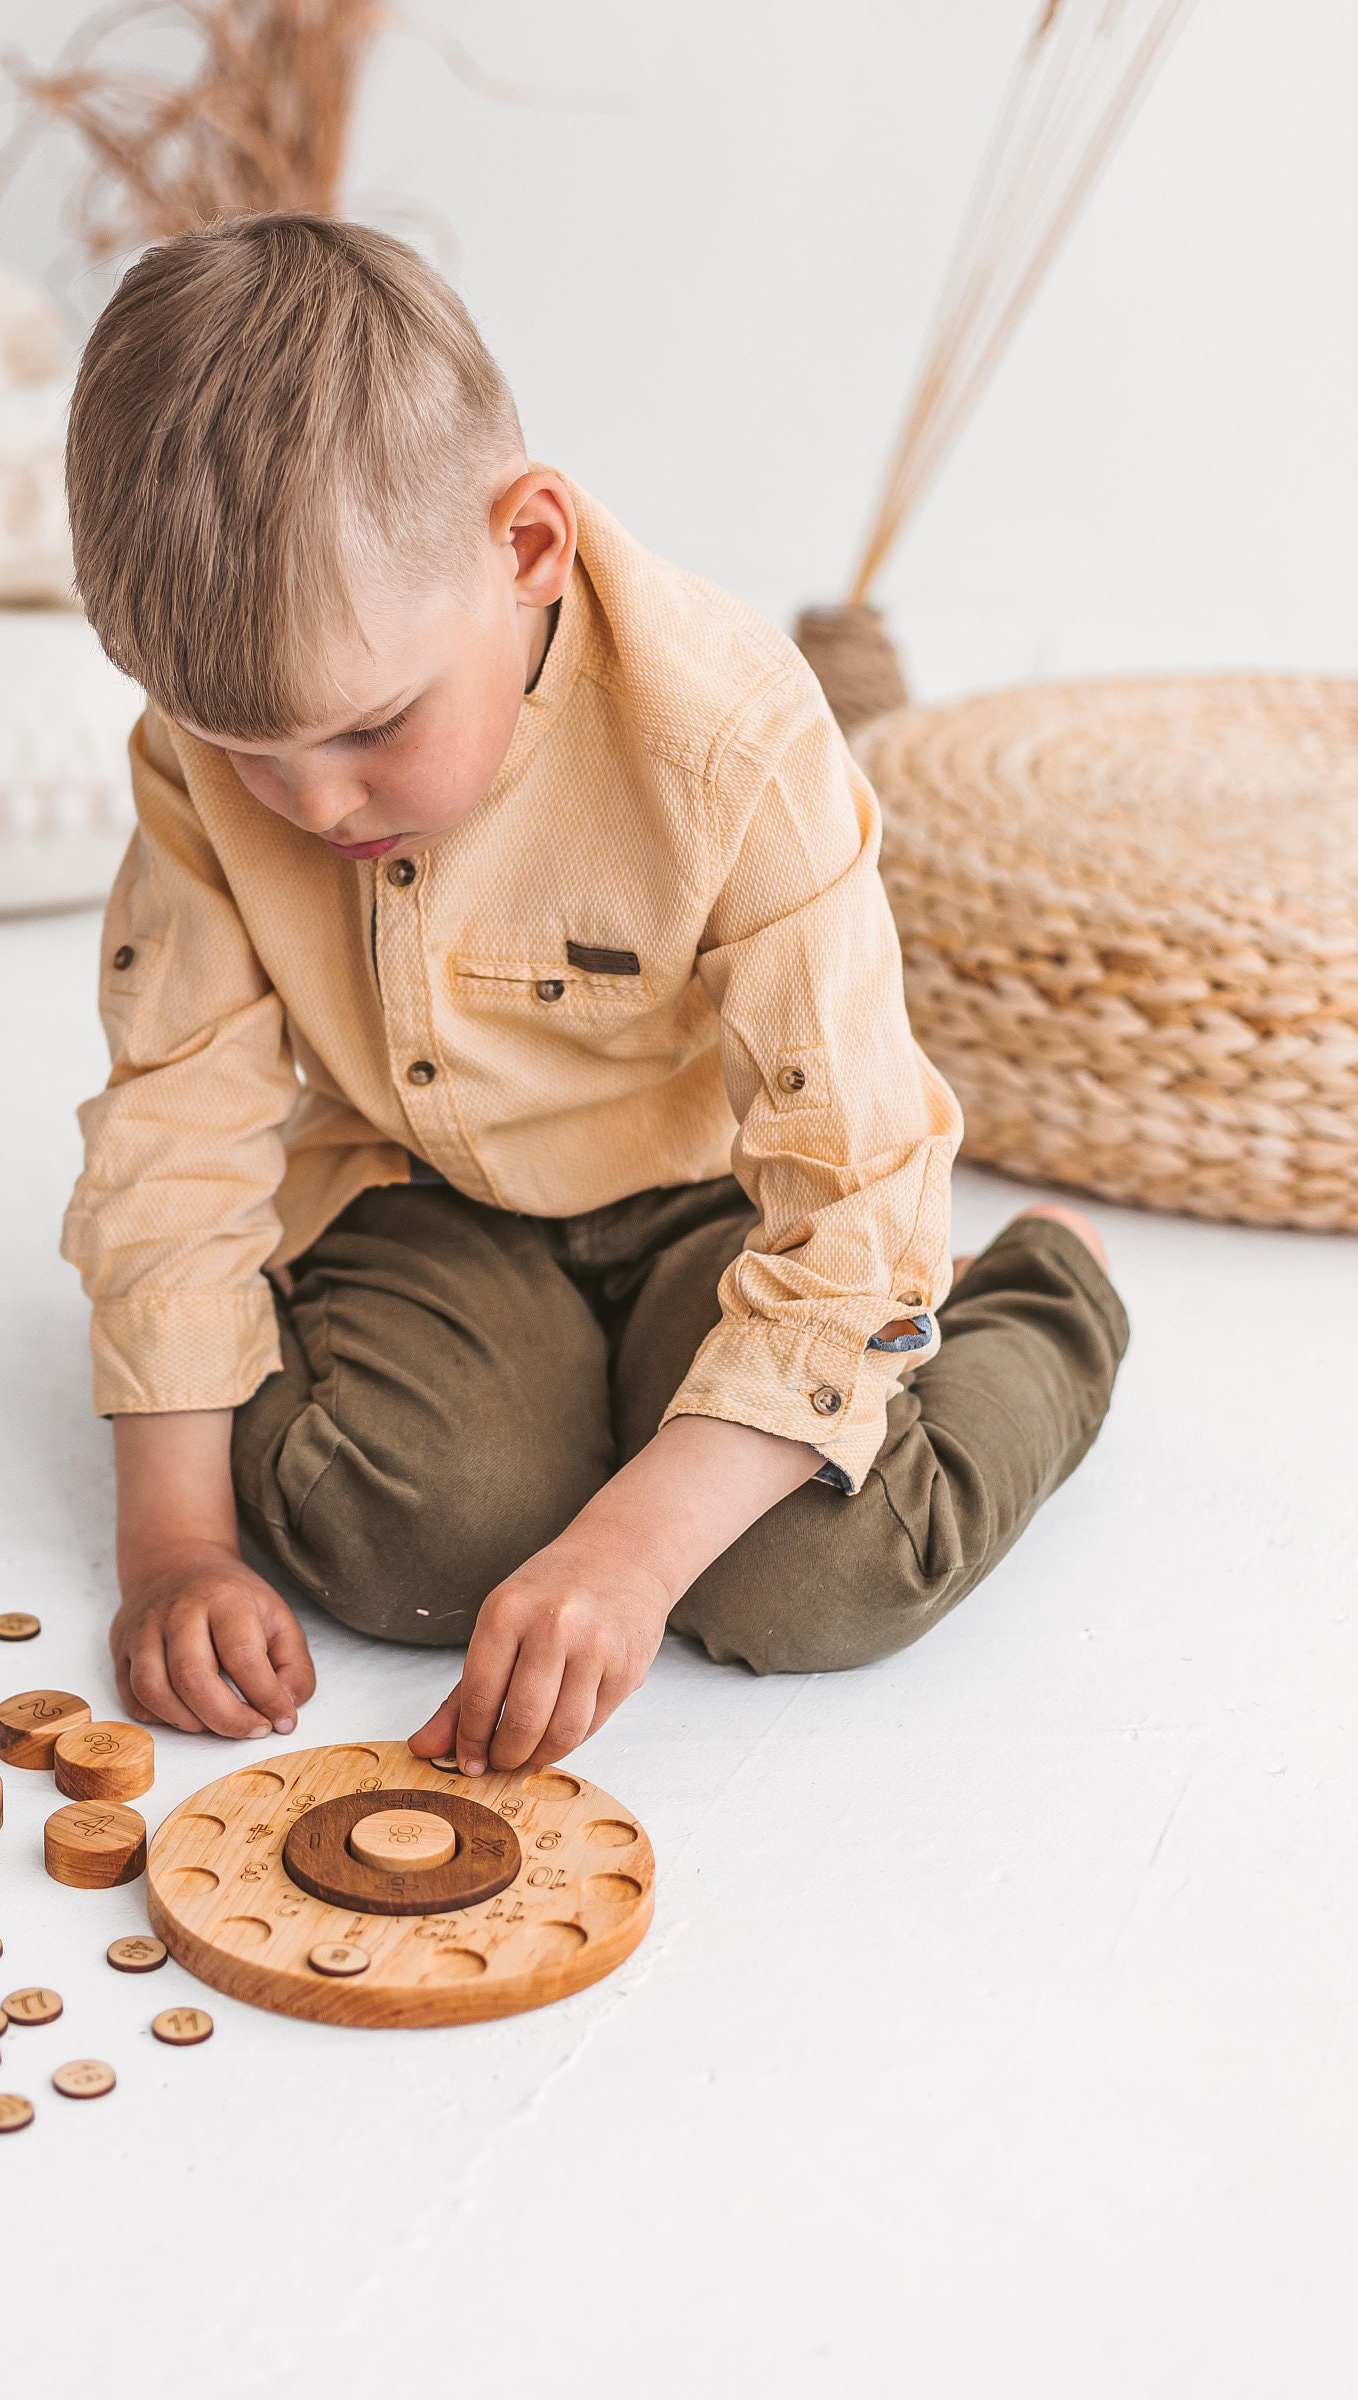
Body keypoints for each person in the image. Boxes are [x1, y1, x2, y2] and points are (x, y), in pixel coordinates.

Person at [59, 214, 1128, 1778]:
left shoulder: (733, 738)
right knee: (404, 1544)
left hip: (721, 1200)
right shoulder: (214, 755)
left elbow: (837, 1188)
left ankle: (1041, 1289)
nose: (311, 804)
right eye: (244, 749)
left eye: (369, 727)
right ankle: (598, 1417)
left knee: (819, 1580)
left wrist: (635, 1546)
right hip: (420, 1188)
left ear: (528, 549)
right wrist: (171, 1548)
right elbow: (179, 1116)